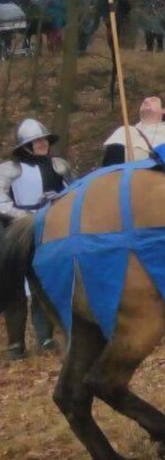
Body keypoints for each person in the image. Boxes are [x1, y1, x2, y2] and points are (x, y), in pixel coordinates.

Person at [1, 118, 72, 360]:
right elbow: (1, 200)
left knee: (43, 283)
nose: (42, 143)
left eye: (43, 139)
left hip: (48, 229)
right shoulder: (9, 169)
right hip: (14, 232)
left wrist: (59, 198)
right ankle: (15, 345)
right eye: (36, 141)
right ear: (25, 146)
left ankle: (45, 337)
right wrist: (25, 216)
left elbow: (77, 191)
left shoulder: (59, 166)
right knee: (13, 289)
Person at [101, 96, 165, 165]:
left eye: (153, 100)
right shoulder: (128, 131)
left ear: (164, 110)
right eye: (145, 101)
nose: (146, 101)